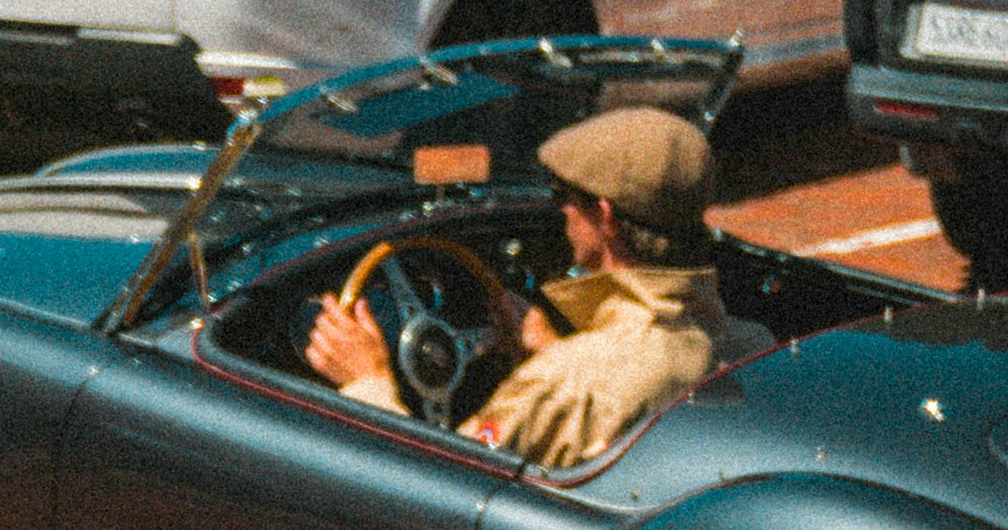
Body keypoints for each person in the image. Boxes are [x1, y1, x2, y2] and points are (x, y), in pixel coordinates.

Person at [302, 106, 726, 474]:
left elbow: (442, 482)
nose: (559, 210)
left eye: (565, 196)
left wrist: (367, 381)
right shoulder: (731, 336)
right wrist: (548, 346)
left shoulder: (566, 380)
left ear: (605, 217)